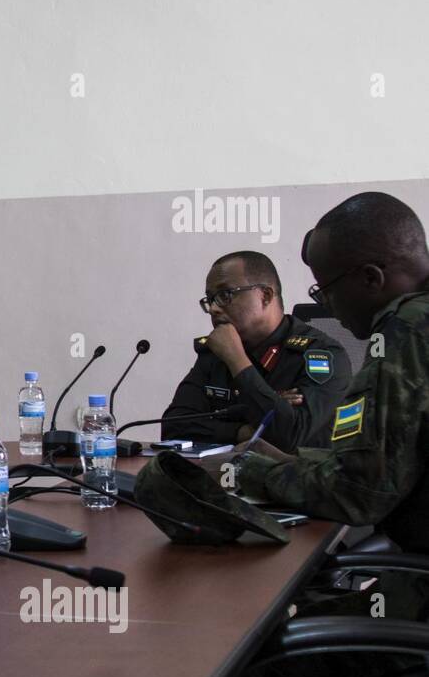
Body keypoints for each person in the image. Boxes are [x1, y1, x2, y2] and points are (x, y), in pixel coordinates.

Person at [237, 192, 429, 554]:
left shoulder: (408, 330)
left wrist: (249, 472)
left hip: (417, 589)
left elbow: (359, 493)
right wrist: (298, 462)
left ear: (371, 279)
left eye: (324, 290)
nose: (324, 304)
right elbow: (393, 457)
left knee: (283, 603)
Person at [161, 250, 351, 450]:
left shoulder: (320, 355)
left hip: (295, 478)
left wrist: (238, 361)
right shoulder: (216, 351)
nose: (214, 309)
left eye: (225, 295)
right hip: (226, 473)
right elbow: (173, 426)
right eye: (210, 299)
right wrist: (244, 431)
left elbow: (289, 435)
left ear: (265, 296)